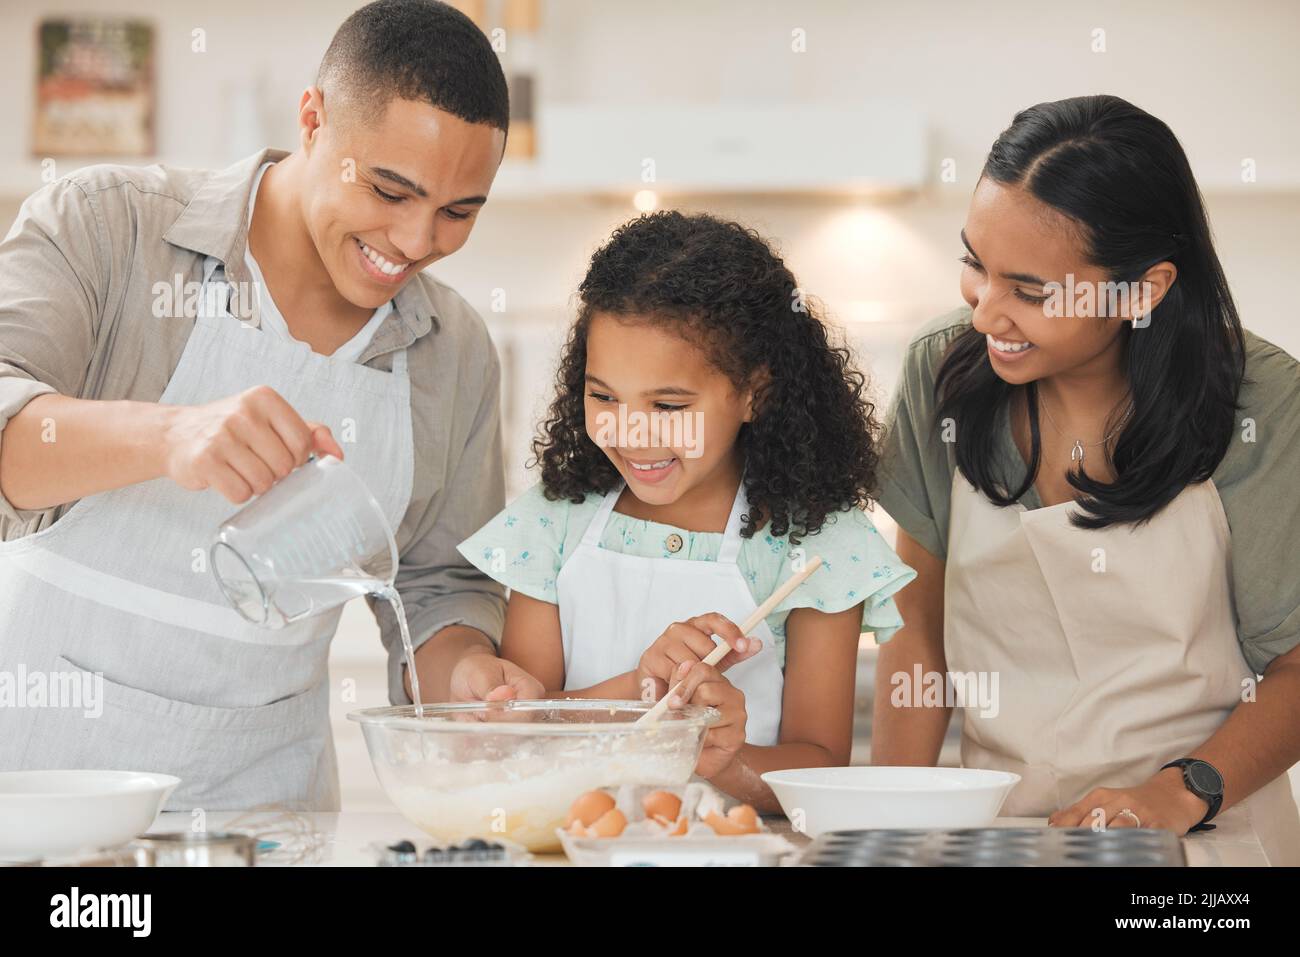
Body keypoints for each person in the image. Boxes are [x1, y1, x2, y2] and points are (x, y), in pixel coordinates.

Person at [0, 0, 539, 810]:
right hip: (43, 788)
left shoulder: (452, 348)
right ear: (313, 119)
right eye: (391, 189)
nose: (418, 241)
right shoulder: (109, 226)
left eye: (459, 211)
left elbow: (435, 589)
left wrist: (466, 673)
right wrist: (169, 435)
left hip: (267, 808)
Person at [873, 94, 1300, 863]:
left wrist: (1177, 792)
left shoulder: (1261, 402)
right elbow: (919, 639)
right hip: (1002, 839)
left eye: (1030, 292)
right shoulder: (939, 373)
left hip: (1205, 838)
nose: (983, 314)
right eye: (975, 264)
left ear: (1143, 289)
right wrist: (891, 834)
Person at [458, 211, 915, 809]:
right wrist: (643, 690)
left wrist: (725, 760)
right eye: (603, 396)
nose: (632, 432)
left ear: (756, 392)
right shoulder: (554, 522)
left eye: (669, 405)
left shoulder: (815, 545)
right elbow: (521, 734)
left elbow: (820, 764)